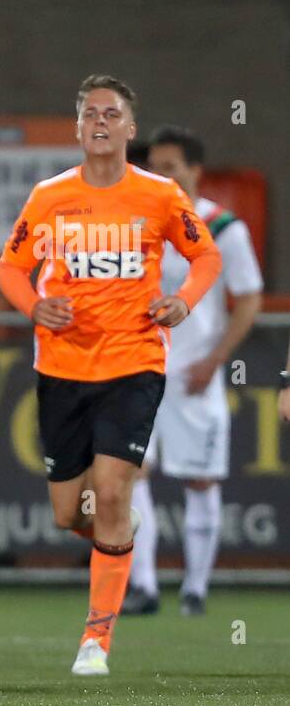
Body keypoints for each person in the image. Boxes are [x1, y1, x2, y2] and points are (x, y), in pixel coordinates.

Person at [0, 75, 221, 676]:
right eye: (90, 113)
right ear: (77, 128)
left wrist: (184, 301)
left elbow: (206, 256)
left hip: (134, 363)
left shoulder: (160, 195)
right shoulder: (49, 198)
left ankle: (96, 640)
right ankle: (119, 535)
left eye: (111, 113)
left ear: (129, 129)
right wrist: (33, 307)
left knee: (114, 490)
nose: (99, 121)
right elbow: (11, 269)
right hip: (62, 368)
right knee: (71, 513)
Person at [123, 126, 264, 617]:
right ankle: (142, 585)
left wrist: (215, 358)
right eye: (153, 167)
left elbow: (248, 300)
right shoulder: (138, 222)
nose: (160, 175)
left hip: (195, 374)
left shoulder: (224, 228)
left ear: (194, 171)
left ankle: (195, 589)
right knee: (132, 472)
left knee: (200, 480)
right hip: (141, 366)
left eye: (170, 167)